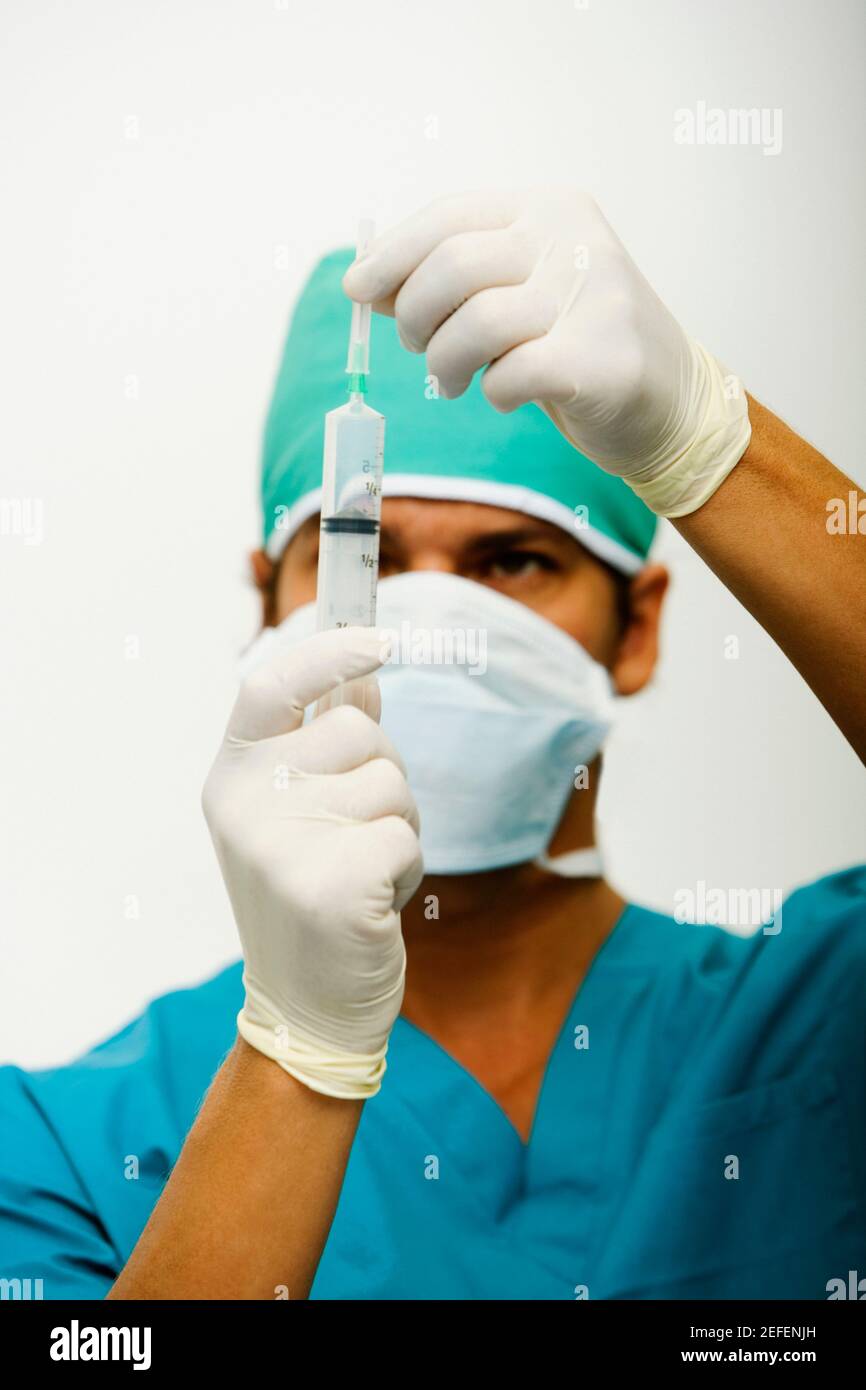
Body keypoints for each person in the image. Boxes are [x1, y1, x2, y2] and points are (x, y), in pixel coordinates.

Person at [1, 190, 864, 1301]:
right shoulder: (70, 1148)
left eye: (511, 561)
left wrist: (714, 442)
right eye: (366, 552)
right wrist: (295, 1054)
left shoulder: (818, 1021)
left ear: (634, 625)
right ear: (270, 602)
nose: (434, 626)